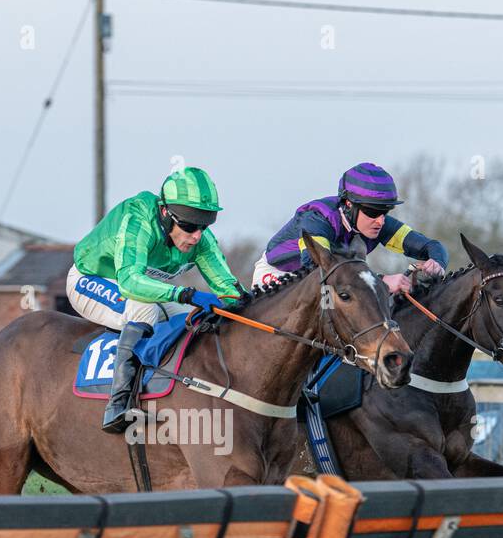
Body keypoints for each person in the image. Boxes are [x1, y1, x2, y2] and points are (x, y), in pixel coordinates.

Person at [68, 166, 246, 433]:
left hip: (145, 288)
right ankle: (118, 405)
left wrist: (246, 301)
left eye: (204, 225)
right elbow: (129, 281)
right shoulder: (138, 218)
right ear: (165, 212)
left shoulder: (201, 239)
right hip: (91, 279)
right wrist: (185, 293)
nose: (196, 235)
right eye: (188, 225)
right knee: (145, 310)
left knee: (186, 318)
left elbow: (228, 287)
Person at [254, 162, 448, 297]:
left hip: (336, 280)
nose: (380, 221)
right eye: (372, 211)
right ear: (348, 204)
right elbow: (317, 272)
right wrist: (380, 282)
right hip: (282, 275)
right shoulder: (318, 219)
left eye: (385, 212)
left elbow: (432, 246)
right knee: (328, 303)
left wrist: (437, 262)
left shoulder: (379, 223)